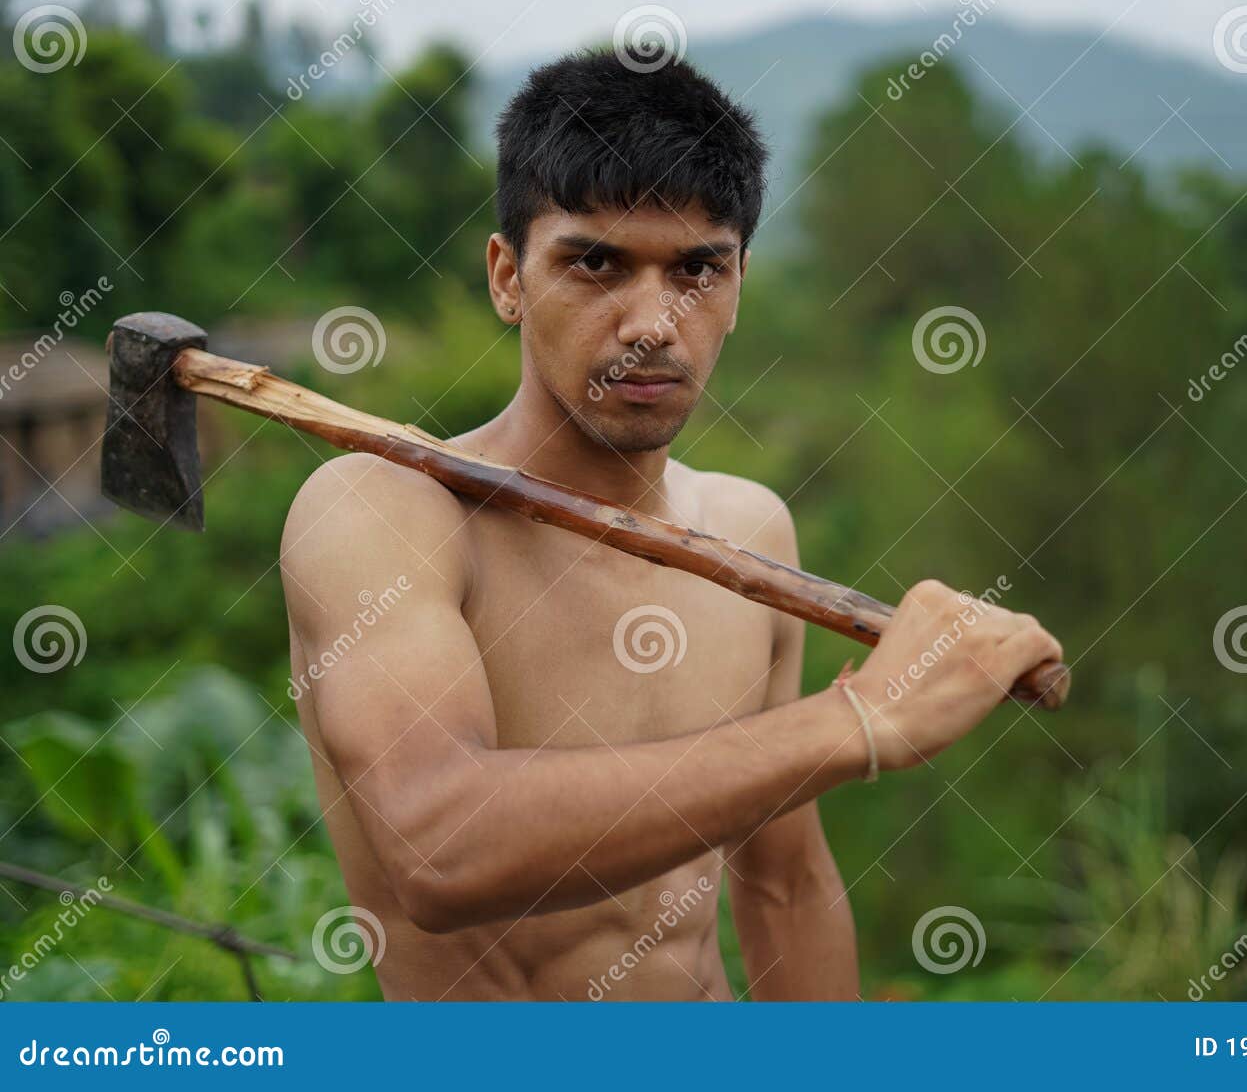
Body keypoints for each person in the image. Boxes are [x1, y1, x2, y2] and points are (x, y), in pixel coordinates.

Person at [280, 49, 1063, 1000]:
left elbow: (784, 883)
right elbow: (439, 847)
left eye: (698, 268)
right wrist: (857, 719)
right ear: (507, 276)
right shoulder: (384, 512)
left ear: (736, 286)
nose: (653, 322)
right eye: (595, 262)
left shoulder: (748, 535)